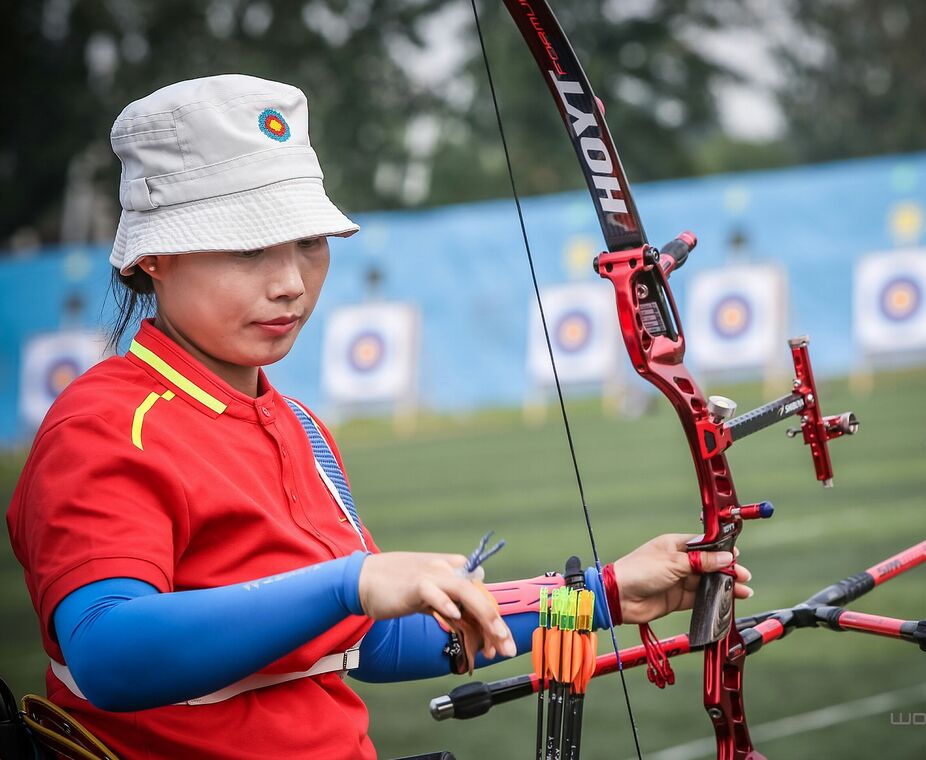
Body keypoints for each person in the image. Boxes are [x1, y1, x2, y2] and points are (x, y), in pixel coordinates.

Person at [5, 75, 750, 759]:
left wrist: (607, 593)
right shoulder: (104, 424)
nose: (291, 282)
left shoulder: (296, 425)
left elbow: (379, 640)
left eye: (308, 244)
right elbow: (108, 653)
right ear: (153, 258)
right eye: (248, 249)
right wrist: (348, 582)